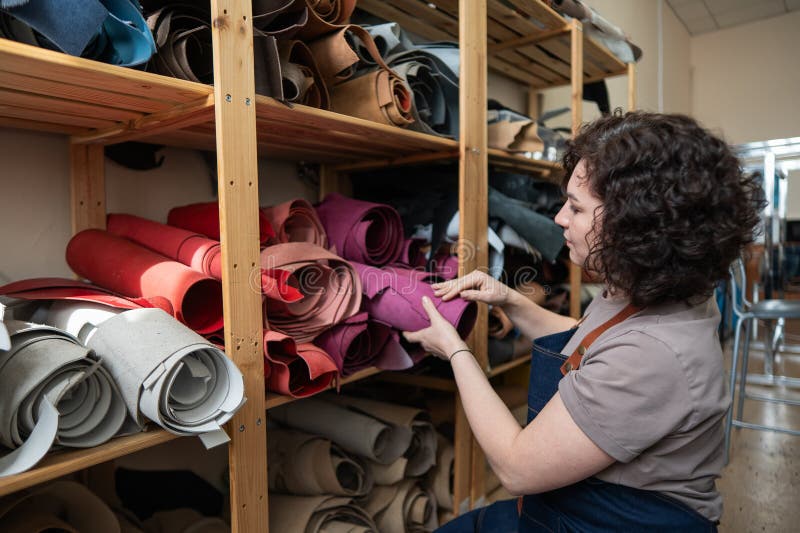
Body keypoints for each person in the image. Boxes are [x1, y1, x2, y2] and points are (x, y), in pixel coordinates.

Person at [403, 111, 763, 532]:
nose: (558, 218)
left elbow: (517, 468)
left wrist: (456, 350)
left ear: (633, 225)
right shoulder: (656, 285)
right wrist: (511, 300)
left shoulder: (653, 354)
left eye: (575, 207)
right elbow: (591, 341)